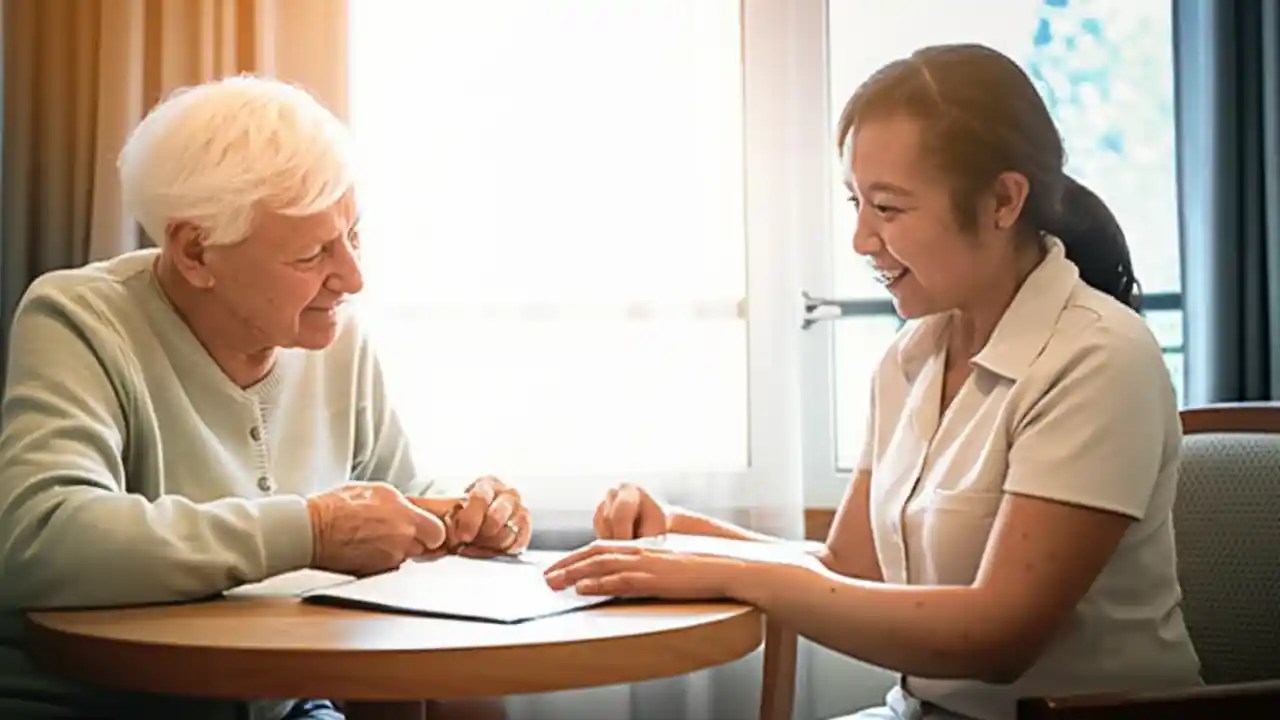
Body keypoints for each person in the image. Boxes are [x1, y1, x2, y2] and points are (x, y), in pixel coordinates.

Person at [545, 43, 1202, 720]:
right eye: (856, 201)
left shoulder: (1098, 357)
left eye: (888, 209)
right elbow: (847, 571)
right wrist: (679, 535)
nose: (860, 239)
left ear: (1004, 199)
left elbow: (999, 637)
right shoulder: (912, 357)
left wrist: (730, 572)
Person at [0, 76, 530, 720]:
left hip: (289, 706)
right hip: (95, 704)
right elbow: (42, 540)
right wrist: (310, 531)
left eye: (353, 236)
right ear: (196, 251)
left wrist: (470, 513)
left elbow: (397, 498)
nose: (354, 277)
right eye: (312, 254)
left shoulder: (339, 340)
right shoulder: (80, 317)